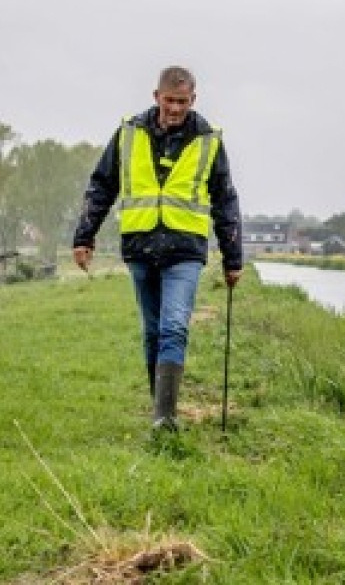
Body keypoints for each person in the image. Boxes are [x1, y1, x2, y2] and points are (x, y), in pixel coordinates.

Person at [72, 66, 242, 431]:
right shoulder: (129, 133)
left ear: (193, 100)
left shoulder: (208, 140)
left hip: (185, 250)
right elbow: (102, 185)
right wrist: (84, 236)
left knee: (174, 327)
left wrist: (233, 259)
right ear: (156, 97)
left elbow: (225, 200)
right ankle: (160, 406)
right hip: (140, 247)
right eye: (170, 101)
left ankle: (164, 420)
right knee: (153, 332)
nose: (176, 109)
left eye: (182, 102)